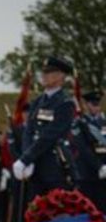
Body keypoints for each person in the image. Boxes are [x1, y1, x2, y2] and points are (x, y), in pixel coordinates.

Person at [13, 56, 77, 198]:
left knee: (55, 211)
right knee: (35, 212)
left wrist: (26, 159)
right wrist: (27, 159)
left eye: (49, 72)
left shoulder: (65, 103)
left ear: (61, 76)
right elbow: (28, 131)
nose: (44, 75)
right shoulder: (37, 102)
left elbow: (50, 135)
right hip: (35, 165)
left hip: (53, 166)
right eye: (43, 72)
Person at [71, 91, 106, 212]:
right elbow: (83, 148)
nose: (96, 107)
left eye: (97, 104)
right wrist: (99, 166)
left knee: (102, 209)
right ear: (86, 105)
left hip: (103, 174)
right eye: (93, 104)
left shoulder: (104, 122)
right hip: (87, 173)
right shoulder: (79, 123)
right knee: (86, 209)